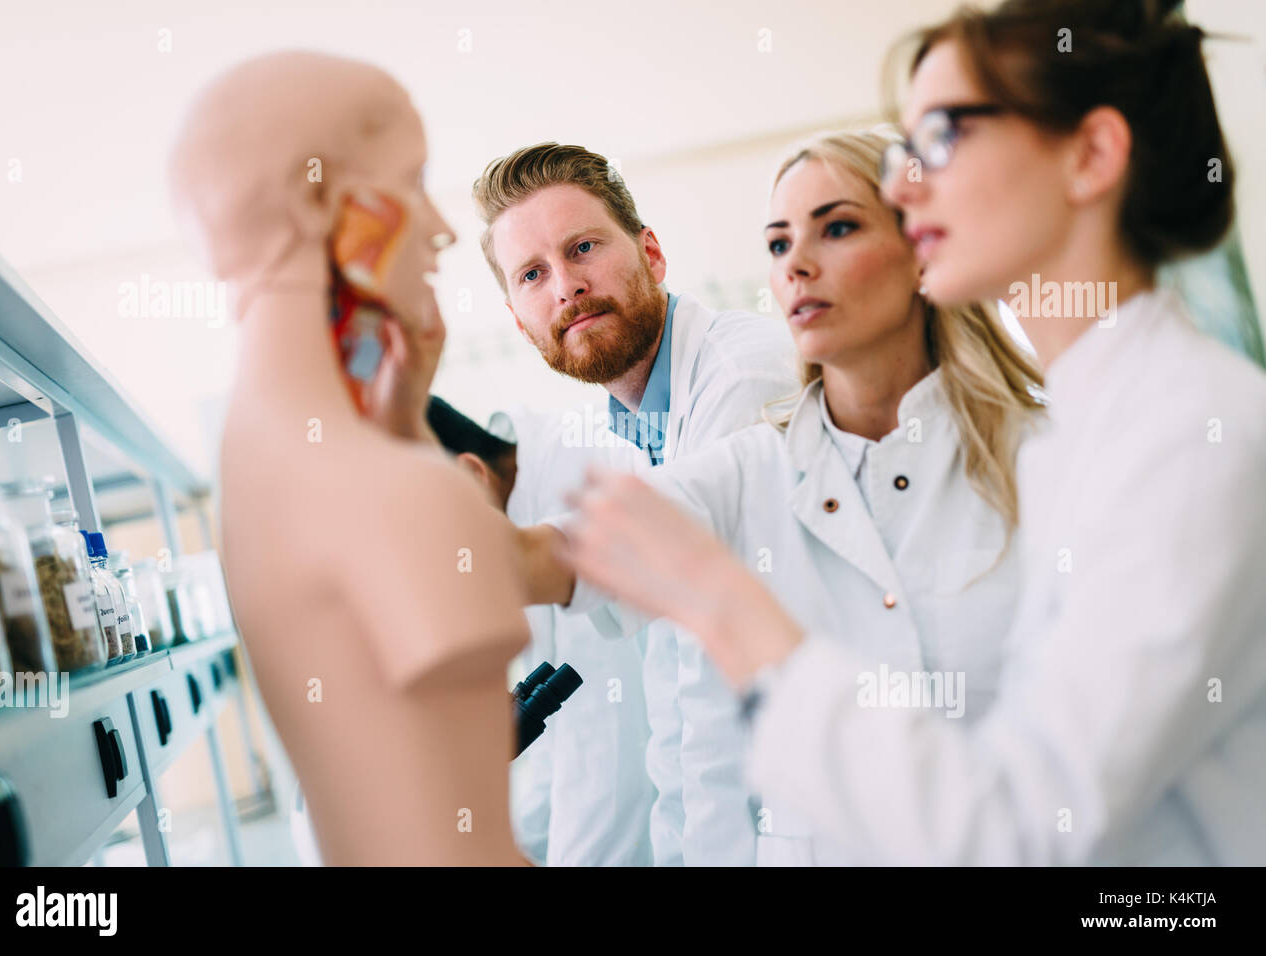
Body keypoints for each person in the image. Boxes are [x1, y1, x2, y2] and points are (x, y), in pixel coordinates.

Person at [557, 0, 1266, 864]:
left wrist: (728, 604)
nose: (902, 186)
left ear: (1090, 155)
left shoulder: (1188, 433)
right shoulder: (1090, 429)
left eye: (945, 136)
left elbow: (1020, 831)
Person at [522, 127, 1044, 864]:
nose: (796, 263)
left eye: (837, 228)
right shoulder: (755, 463)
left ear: (923, 246)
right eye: (777, 243)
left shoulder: (1051, 460)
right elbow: (577, 550)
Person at [169, 51, 530, 865]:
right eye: (414, 178)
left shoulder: (256, 466)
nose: (440, 228)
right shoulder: (401, 495)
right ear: (318, 199)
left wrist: (403, 420)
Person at [474, 143, 798, 864]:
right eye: (533, 274)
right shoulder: (632, 423)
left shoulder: (738, 380)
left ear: (650, 253)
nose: (566, 287)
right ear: (520, 317)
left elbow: (718, 693)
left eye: (583, 247)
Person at [425, 396, 656, 866]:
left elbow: (609, 776)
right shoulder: (508, 496)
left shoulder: (576, 480)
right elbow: (557, 760)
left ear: (471, 479)